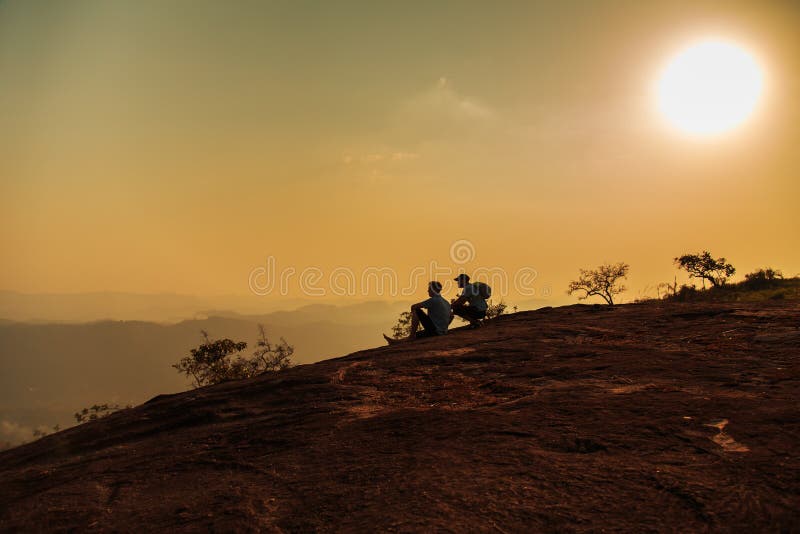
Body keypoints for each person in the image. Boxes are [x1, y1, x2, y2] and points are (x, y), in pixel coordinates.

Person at [383, 281, 451, 344]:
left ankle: (411, 336)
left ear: (433, 290)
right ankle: (395, 342)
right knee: (417, 335)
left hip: (435, 331)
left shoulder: (433, 300)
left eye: (429, 289)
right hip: (441, 331)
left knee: (416, 310)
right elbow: (451, 316)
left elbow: (414, 306)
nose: (428, 291)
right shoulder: (446, 302)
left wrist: (413, 314)